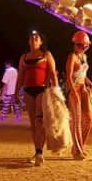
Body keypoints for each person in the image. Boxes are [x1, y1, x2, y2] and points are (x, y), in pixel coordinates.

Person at [16, 30, 58, 166]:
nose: (34, 39)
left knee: (40, 121)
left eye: (36, 38)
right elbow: (20, 76)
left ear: (41, 42)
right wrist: (16, 92)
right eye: (31, 38)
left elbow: (52, 74)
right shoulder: (24, 57)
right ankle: (37, 151)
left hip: (42, 90)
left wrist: (56, 91)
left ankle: (40, 152)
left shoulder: (46, 55)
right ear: (29, 41)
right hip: (28, 91)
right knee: (33, 124)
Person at [66, 31, 92, 159]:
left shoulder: (84, 57)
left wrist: (89, 83)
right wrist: (73, 92)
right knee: (77, 120)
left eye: (82, 45)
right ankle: (77, 151)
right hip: (75, 89)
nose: (79, 47)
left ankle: (80, 146)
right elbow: (69, 77)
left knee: (88, 118)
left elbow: (83, 74)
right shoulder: (72, 57)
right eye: (78, 45)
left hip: (83, 88)